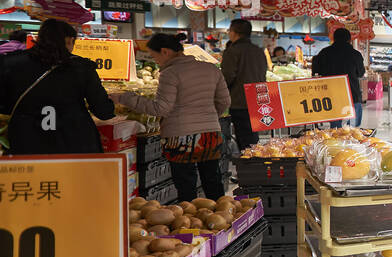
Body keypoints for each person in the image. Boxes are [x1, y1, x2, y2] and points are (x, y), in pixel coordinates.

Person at [112, 33, 229, 202]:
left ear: (165, 52)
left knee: (186, 186)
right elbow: (225, 101)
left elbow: (161, 108)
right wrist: (208, 118)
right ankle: (222, 215)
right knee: (213, 180)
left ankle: (190, 217)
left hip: (181, 138)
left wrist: (125, 98)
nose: (156, 61)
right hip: (210, 134)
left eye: (154, 56)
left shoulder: (170, 73)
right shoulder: (211, 69)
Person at [0, 18, 113, 153]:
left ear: (39, 39)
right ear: (69, 40)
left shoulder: (10, 62)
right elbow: (103, 111)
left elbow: (4, 106)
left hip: (26, 142)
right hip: (75, 143)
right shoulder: (83, 67)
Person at [221, 18, 267, 150]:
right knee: (253, 136)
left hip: (240, 101)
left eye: (230, 31)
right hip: (257, 99)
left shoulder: (232, 51)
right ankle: (254, 157)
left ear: (234, 32)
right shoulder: (258, 51)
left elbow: (227, 76)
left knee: (244, 139)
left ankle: (249, 161)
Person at [311, 27, 366, 127]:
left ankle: (336, 134)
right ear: (349, 39)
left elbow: (316, 72)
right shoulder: (356, 55)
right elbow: (360, 73)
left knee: (335, 127)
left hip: (331, 94)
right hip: (351, 93)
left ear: (334, 38)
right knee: (353, 127)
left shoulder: (324, 53)